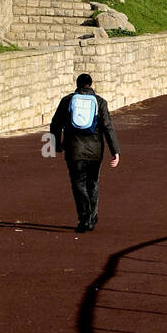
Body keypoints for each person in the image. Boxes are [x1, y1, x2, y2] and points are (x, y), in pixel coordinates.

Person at [49, 73, 121, 233]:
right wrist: (115, 151)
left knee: (78, 184)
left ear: (77, 84)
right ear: (91, 84)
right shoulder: (100, 102)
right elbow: (108, 127)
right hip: (95, 151)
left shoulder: (67, 100)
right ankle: (92, 216)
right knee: (93, 183)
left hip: (74, 150)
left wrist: (55, 145)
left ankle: (85, 218)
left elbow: (55, 123)